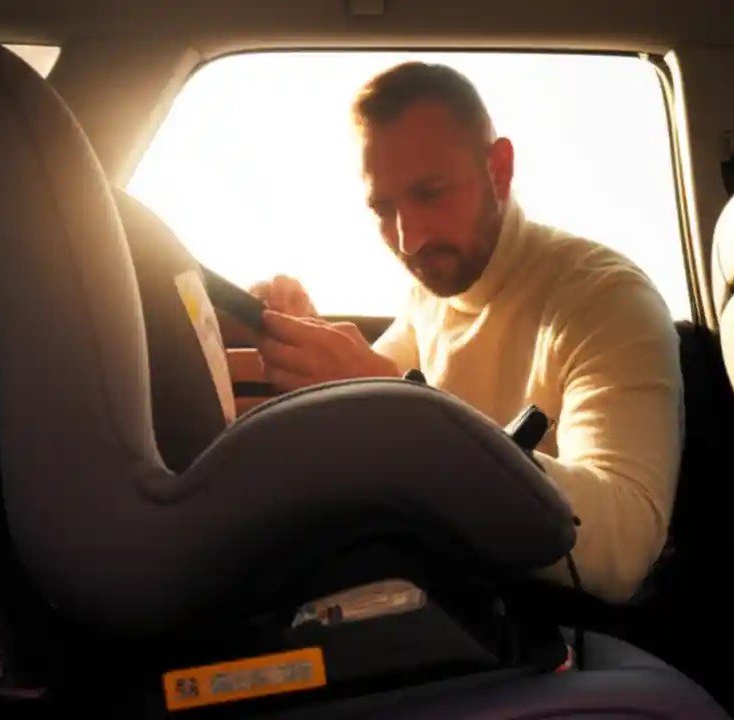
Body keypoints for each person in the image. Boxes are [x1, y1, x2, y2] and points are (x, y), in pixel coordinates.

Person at [249, 61, 683, 604]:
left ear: (498, 170)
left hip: (567, 641)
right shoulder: (427, 301)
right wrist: (311, 356)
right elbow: (369, 416)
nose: (408, 240)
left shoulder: (603, 297)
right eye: (383, 208)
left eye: (430, 194)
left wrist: (406, 414)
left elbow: (626, 547)